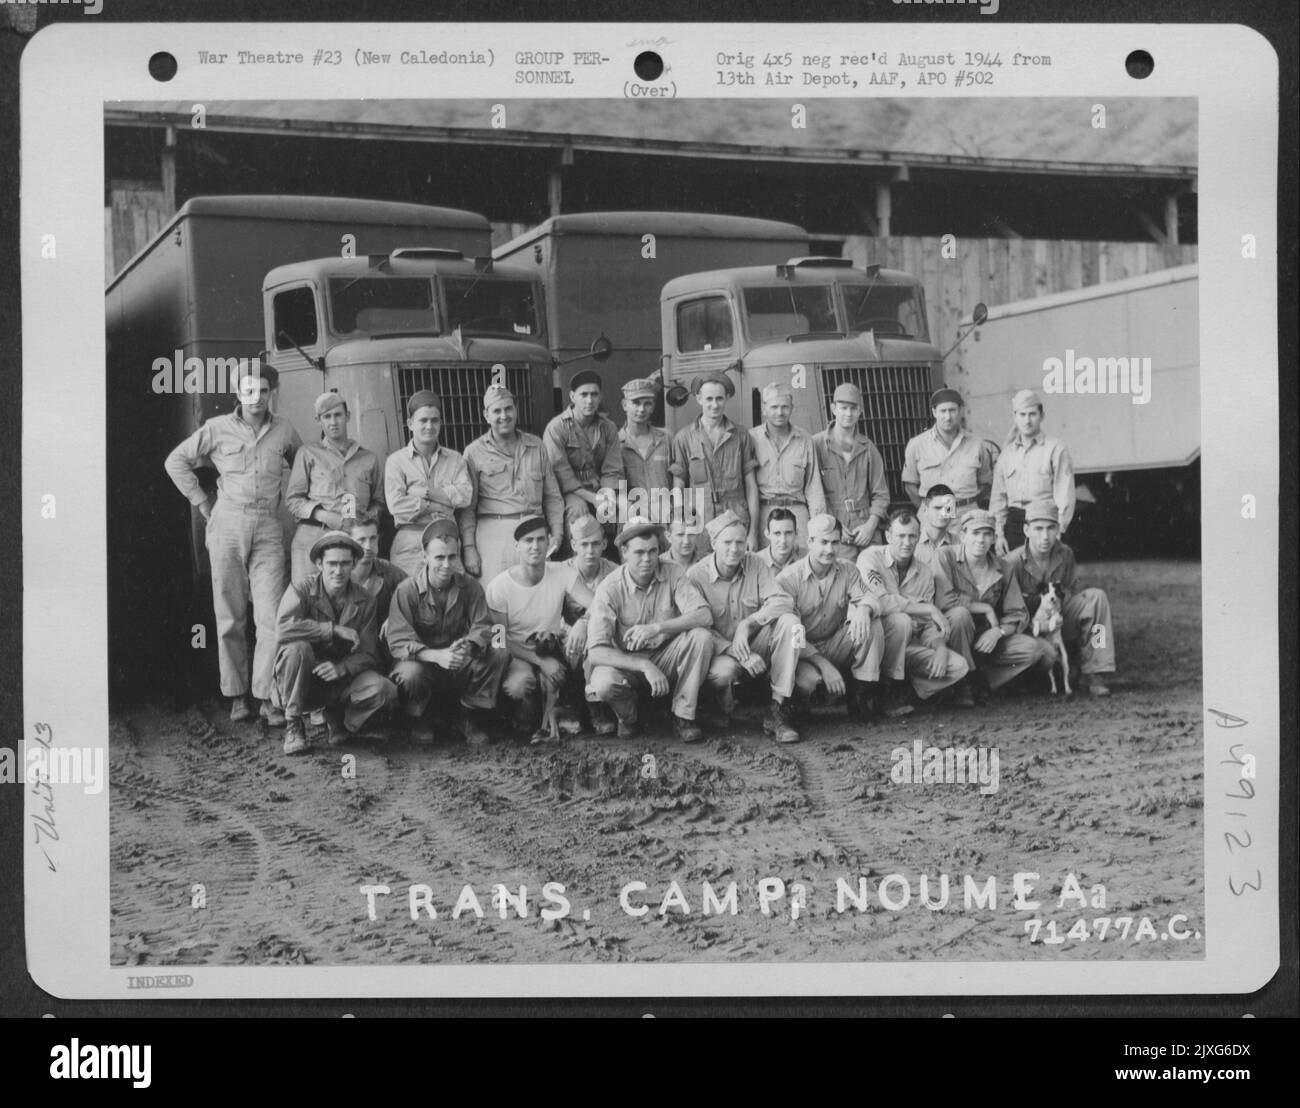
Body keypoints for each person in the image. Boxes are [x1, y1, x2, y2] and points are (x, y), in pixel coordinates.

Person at [164, 365, 301, 724]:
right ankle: (237, 695)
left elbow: (303, 465)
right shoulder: (217, 428)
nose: (257, 397)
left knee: (271, 616)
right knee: (230, 615)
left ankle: (268, 697)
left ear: (272, 392)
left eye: (264, 390)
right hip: (227, 523)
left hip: (269, 527)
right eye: (249, 390)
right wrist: (202, 503)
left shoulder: (285, 430)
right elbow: (175, 461)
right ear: (238, 393)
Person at [585, 518, 715, 743]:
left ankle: (683, 715)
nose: (647, 559)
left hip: (666, 658)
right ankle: (629, 716)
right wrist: (644, 666)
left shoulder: (673, 572)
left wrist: (658, 628)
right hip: (628, 665)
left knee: (701, 637)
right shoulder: (609, 587)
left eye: (653, 551)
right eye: (639, 552)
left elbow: (704, 615)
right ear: (624, 552)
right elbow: (596, 652)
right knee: (602, 682)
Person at [272, 530, 398, 755]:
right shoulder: (301, 589)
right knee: (298, 648)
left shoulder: (365, 599)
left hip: (339, 680)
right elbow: (283, 628)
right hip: (302, 681)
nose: (338, 571)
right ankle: (293, 725)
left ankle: (340, 719)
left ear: (353, 565)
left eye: (345, 563)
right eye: (332, 563)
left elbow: (369, 653)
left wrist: (341, 668)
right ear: (319, 564)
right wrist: (331, 630)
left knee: (384, 690)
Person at [385, 519, 508, 746]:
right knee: (409, 673)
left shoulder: (470, 587)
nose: (446, 565)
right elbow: (398, 640)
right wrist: (435, 656)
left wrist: (468, 645)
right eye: (439, 558)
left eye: (452, 557)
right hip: (423, 664)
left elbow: (483, 625)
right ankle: (419, 718)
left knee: (499, 650)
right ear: (425, 557)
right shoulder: (407, 591)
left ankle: (468, 715)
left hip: (456, 661)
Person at [687, 511, 803, 743]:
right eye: (727, 542)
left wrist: (748, 624)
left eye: (740, 542)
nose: (735, 548)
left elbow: (783, 601)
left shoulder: (755, 563)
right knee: (723, 672)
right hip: (721, 652)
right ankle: (713, 706)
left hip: (754, 641)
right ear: (713, 543)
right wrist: (740, 653)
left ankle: (777, 709)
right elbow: (697, 627)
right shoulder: (696, 576)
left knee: (792, 624)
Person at [933, 510, 1053, 704]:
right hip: (953, 637)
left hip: (986, 639)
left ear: (994, 538)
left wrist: (998, 631)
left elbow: (1018, 613)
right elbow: (944, 601)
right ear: (963, 535)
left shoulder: (1003, 567)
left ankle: (984, 682)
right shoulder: (944, 557)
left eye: (987, 534)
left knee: (1035, 649)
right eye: (975, 533)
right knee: (960, 615)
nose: (981, 540)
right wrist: (985, 609)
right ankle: (962, 683)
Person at [776, 514, 884, 723]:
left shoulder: (848, 569)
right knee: (808, 683)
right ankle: (795, 706)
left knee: (873, 622)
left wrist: (864, 608)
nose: (830, 550)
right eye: (823, 542)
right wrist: (824, 665)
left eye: (835, 542)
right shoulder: (788, 579)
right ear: (809, 542)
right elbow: (790, 635)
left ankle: (860, 696)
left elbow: (872, 597)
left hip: (834, 643)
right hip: (803, 653)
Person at [859, 511, 969, 713]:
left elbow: (927, 624)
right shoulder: (870, 558)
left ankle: (908, 691)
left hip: (908, 647)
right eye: (900, 536)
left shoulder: (925, 572)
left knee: (958, 666)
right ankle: (883, 691)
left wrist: (940, 648)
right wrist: (928, 608)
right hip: (877, 645)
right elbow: (881, 601)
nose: (907, 542)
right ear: (889, 536)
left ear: (919, 537)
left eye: (912, 536)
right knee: (901, 621)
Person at [485, 518, 583, 742]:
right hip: (517, 654)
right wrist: (540, 662)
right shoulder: (500, 587)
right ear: (517, 546)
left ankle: (563, 719)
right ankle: (520, 723)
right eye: (528, 540)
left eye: (541, 539)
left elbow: (596, 601)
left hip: (551, 649)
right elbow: (499, 641)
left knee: (576, 655)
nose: (535, 546)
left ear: (549, 542)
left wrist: (583, 623)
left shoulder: (561, 572)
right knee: (518, 686)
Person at [1004, 499, 1116, 696]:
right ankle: (1035, 676)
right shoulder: (1012, 563)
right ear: (1026, 530)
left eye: (1051, 528)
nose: (1045, 536)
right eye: (1038, 528)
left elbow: (1071, 591)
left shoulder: (1065, 554)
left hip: (1059, 621)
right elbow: (1009, 611)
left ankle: (1095, 670)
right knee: (1042, 658)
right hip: (1031, 629)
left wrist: (1059, 616)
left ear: (1058, 529)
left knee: (1097, 599)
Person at [462, 383, 564, 582]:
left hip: (534, 533)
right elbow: (467, 508)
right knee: (496, 601)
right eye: (497, 411)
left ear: (516, 410)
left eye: (508, 409)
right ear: (486, 415)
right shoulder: (474, 453)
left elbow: (552, 497)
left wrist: (557, 533)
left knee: (536, 599)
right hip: (494, 537)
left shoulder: (536, 445)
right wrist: (469, 548)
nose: (504, 416)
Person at [285, 391, 385, 584]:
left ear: (347, 416)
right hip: (313, 536)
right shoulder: (308, 454)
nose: (333, 422)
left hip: (354, 539)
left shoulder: (369, 458)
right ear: (318, 420)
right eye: (327, 417)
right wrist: (326, 516)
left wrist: (364, 521)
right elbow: (293, 500)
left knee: (351, 599)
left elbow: (379, 502)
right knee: (308, 599)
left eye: (338, 415)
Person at [384, 391, 474, 578]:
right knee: (410, 595)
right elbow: (396, 505)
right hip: (410, 541)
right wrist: (438, 504)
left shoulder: (455, 459)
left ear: (440, 423)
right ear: (410, 424)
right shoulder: (396, 461)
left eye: (434, 420)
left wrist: (423, 492)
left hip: (447, 538)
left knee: (455, 595)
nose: (429, 426)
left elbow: (465, 496)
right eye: (423, 420)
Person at [670, 372, 760, 554]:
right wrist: (685, 527)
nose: (714, 404)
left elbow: (751, 487)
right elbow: (678, 488)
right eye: (709, 398)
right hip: (701, 522)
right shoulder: (684, 438)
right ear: (699, 399)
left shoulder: (741, 435)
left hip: (735, 517)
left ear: (727, 398)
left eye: (719, 398)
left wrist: (753, 533)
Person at [991, 389, 1077, 555]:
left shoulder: (1055, 449)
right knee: (1015, 575)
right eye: (1022, 415)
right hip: (1015, 524)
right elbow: (998, 498)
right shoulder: (1006, 454)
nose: (1027, 421)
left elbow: (1065, 493)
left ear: (1042, 415)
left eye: (1032, 414)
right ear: (1014, 417)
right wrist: (999, 534)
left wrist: (1059, 529)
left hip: (1044, 520)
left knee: (1046, 576)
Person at [812, 383, 891, 562]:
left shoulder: (868, 448)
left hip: (866, 526)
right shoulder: (816, 445)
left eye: (853, 408)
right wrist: (835, 526)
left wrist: (870, 526)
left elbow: (881, 494)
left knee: (874, 576)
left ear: (860, 411)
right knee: (839, 578)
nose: (848, 413)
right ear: (833, 409)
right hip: (832, 527)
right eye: (843, 408)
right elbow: (814, 492)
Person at [901, 387, 998, 531]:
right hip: (931, 518)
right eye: (943, 411)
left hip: (967, 517)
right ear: (934, 412)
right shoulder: (917, 445)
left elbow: (985, 482)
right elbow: (910, 485)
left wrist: (966, 503)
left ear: (960, 411)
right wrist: (929, 508)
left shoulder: (977, 444)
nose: (948, 417)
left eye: (952, 410)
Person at [560, 515, 621, 736]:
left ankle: (597, 707)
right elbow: (551, 612)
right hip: (565, 636)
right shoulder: (561, 571)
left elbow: (615, 610)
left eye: (595, 544)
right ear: (574, 545)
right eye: (583, 544)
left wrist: (585, 623)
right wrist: (573, 628)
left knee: (595, 639)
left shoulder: (615, 572)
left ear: (604, 544)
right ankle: (573, 708)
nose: (590, 551)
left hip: (600, 636)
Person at [750, 382, 826, 552]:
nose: (779, 412)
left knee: (801, 566)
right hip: (764, 514)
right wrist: (752, 530)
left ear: (792, 408)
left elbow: (814, 488)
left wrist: (818, 529)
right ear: (764, 409)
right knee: (765, 567)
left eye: (784, 407)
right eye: (774, 407)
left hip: (798, 513)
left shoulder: (805, 439)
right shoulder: (751, 439)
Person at [543, 370, 624, 525]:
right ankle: (577, 549)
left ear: (600, 397)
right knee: (578, 509)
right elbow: (561, 475)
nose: (589, 400)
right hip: (571, 492)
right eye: (584, 395)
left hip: (600, 487)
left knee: (624, 507)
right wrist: (593, 499)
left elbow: (613, 469)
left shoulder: (608, 427)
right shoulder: (556, 428)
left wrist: (607, 495)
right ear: (572, 397)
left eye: (594, 395)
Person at [618, 377, 674, 517]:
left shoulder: (666, 439)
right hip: (633, 521)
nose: (641, 409)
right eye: (636, 403)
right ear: (625, 405)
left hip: (666, 518)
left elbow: (679, 477)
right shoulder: (615, 444)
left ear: (653, 406)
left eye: (647, 403)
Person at [345, 514, 407, 627]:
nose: (368, 546)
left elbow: (415, 594)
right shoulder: (336, 571)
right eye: (361, 540)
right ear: (348, 542)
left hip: (379, 640)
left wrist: (395, 618)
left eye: (373, 538)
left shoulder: (388, 570)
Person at [914, 484, 959, 571]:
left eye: (948, 509)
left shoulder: (960, 544)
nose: (942, 513)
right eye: (937, 508)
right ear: (925, 510)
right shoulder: (912, 542)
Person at [757, 507, 800, 573]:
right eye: (777, 533)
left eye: (788, 533)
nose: (783, 540)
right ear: (767, 534)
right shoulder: (755, 563)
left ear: (796, 533)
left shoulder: (808, 559)